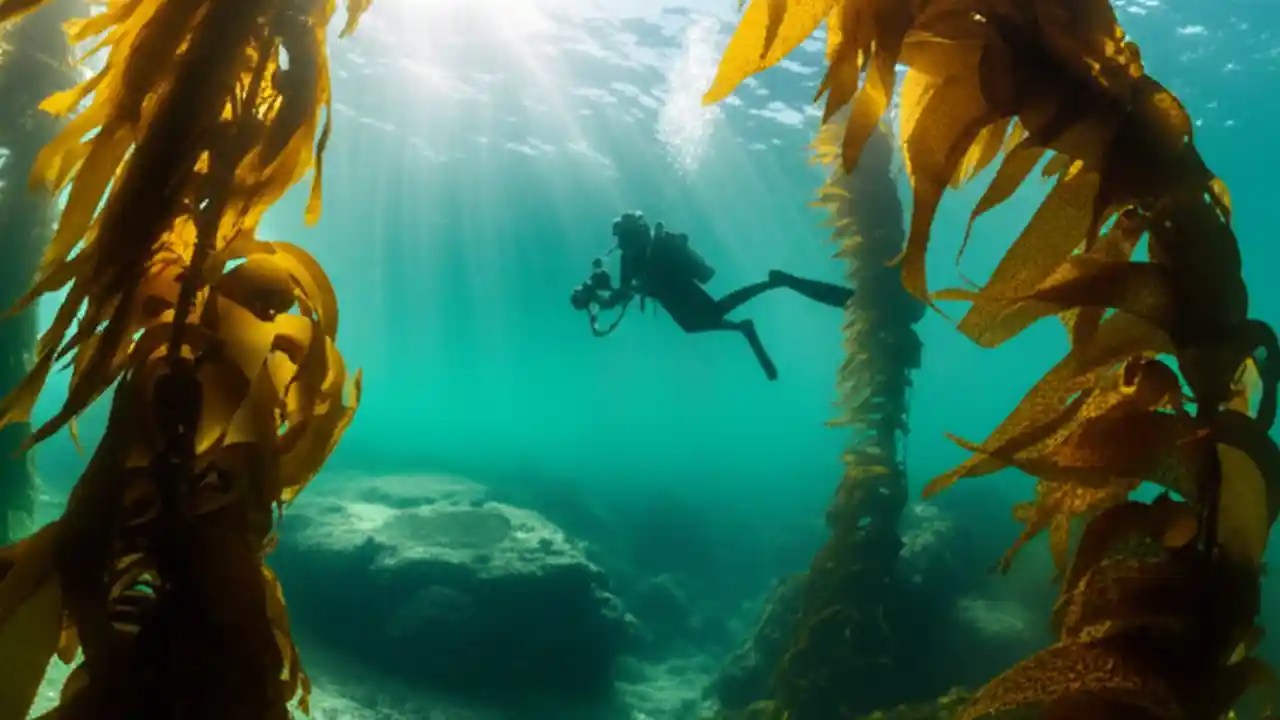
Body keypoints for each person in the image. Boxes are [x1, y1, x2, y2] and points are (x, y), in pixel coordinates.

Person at [569, 211, 854, 381]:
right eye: (621, 240)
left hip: (683, 296)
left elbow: (633, 289)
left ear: (636, 234)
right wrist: (592, 300)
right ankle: (749, 321)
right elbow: (621, 296)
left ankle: (772, 287)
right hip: (676, 306)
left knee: (713, 313)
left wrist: (605, 296)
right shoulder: (628, 260)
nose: (622, 245)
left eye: (626, 238)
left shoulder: (657, 250)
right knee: (698, 323)